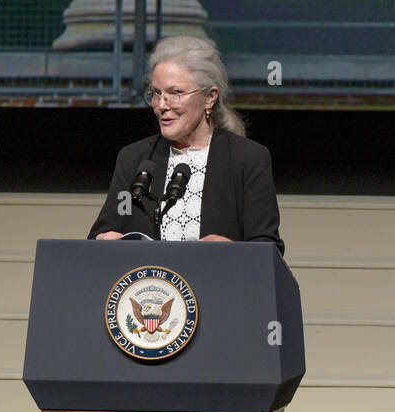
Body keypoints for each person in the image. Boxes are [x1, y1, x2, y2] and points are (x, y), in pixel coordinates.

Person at [87, 35, 284, 255]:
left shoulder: (247, 159)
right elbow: (103, 232)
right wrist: (104, 241)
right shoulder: (134, 158)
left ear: (210, 97)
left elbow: (269, 249)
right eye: (156, 94)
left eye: (176, 93)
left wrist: (232, 251)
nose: (161, 105)